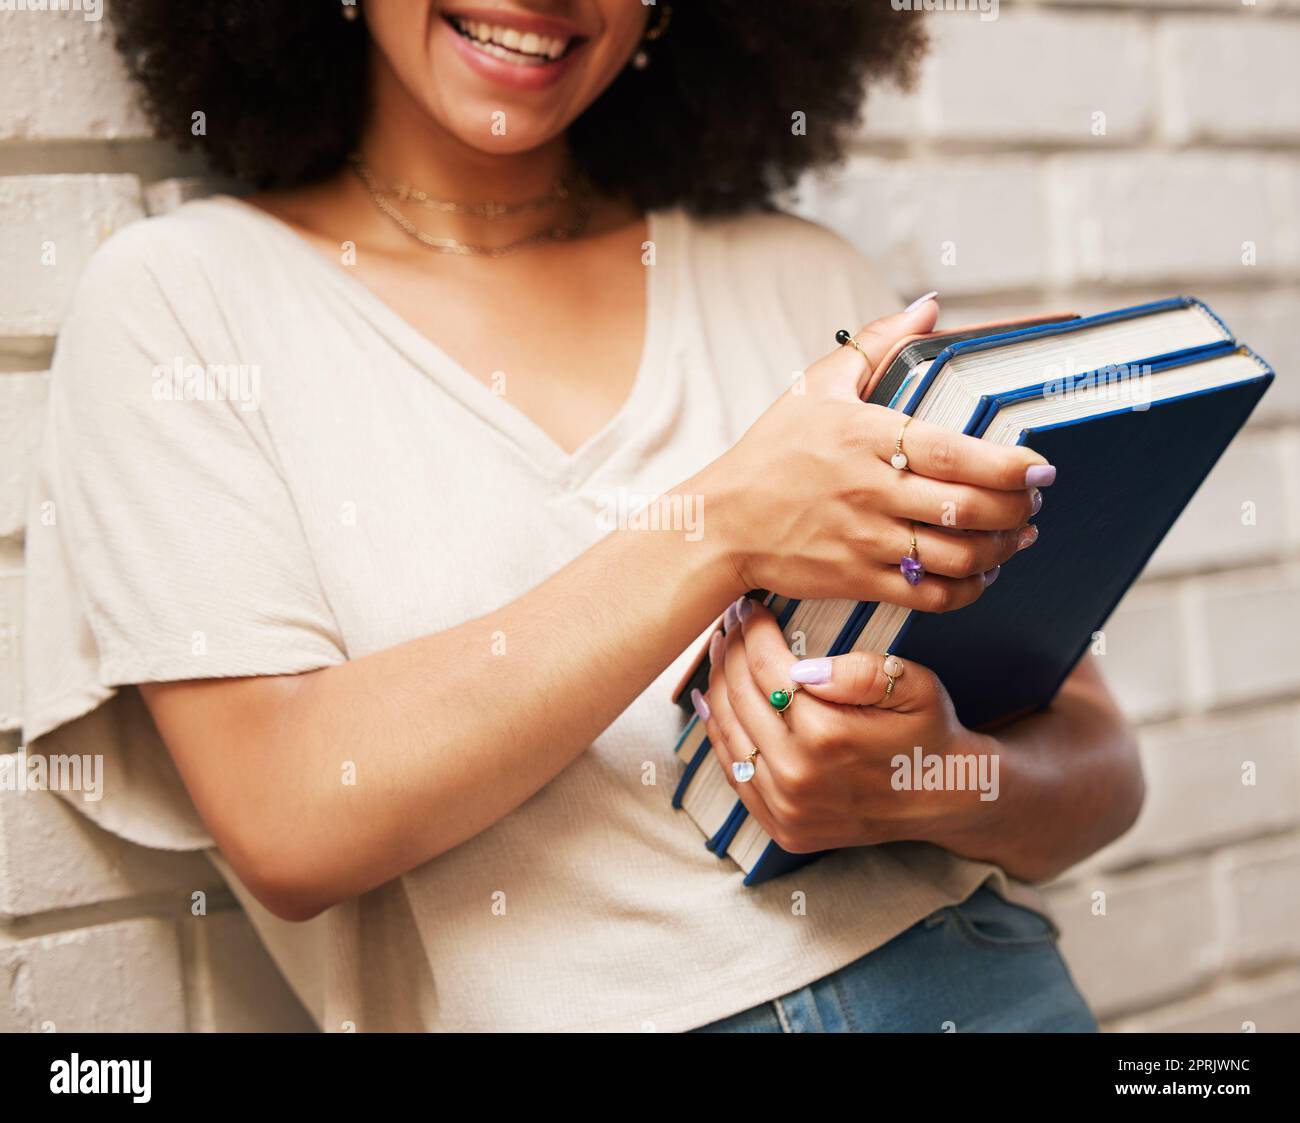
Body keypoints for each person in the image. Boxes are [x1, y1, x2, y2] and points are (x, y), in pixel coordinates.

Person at [23, 1, 1142, 1032]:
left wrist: (931, 777)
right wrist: (719, 526)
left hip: (979, 983)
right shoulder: (183, 303)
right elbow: (289, 820)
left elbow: (1097, 768)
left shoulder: (800, 279)